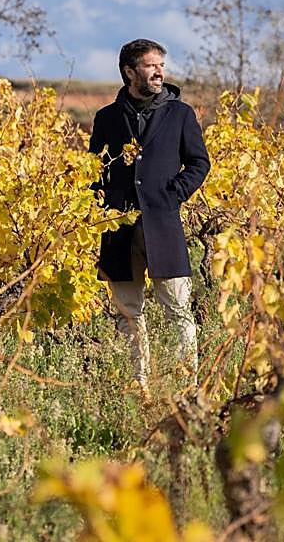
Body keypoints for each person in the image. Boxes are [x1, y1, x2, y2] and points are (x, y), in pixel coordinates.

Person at [88, 39, 210, 391]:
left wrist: (174, 194)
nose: (159, 72)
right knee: (128, 313)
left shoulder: (180, 114)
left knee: (179, 311)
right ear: (130, 72)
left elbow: (199, 163)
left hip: (164, 225)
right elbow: (94, 170)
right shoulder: (107, 118)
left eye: (161, 66)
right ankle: (137, 387)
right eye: (151, 66)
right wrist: (101, 208)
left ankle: (185, 389)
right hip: (118, 229)